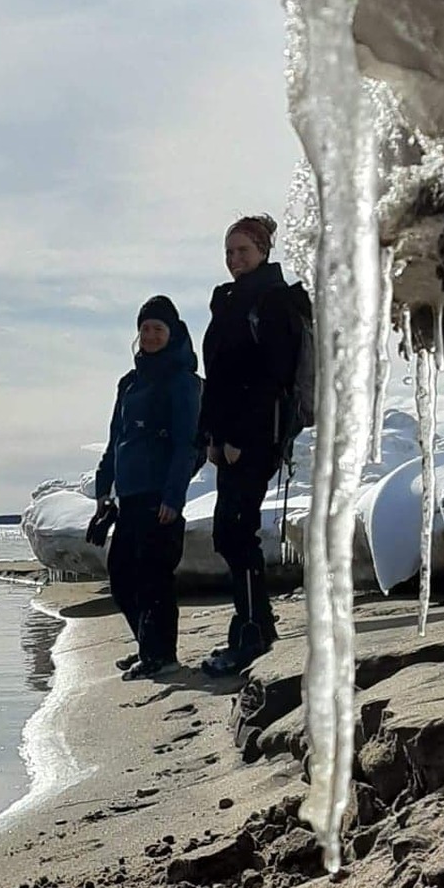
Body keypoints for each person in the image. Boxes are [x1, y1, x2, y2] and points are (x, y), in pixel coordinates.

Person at [198, 212, 312, 676]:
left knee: (233, 530)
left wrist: (241, 438)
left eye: (243, 250)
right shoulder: (229, 302)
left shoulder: (271, 300)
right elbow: (219, 378)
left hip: (257, 435)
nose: (234, 259)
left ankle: (250, 633)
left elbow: (270, 377)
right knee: (233, 530)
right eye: (229, 252)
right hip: (230, 438)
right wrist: (210, 436)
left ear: (264, 251)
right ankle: (257, 625)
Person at [92, 295, 202, 681]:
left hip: (160, 495)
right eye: (144, 329)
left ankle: (161, 655)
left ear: (171, 334)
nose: (150, 335)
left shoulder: (182, 382)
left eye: (158, 328)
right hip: (130, 495)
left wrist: (174, 496)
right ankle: (148, 647)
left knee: (155, 577)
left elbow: (186, 443)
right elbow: (115, 439)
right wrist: (103, 486)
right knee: (122, 576)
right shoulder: (129, 383)